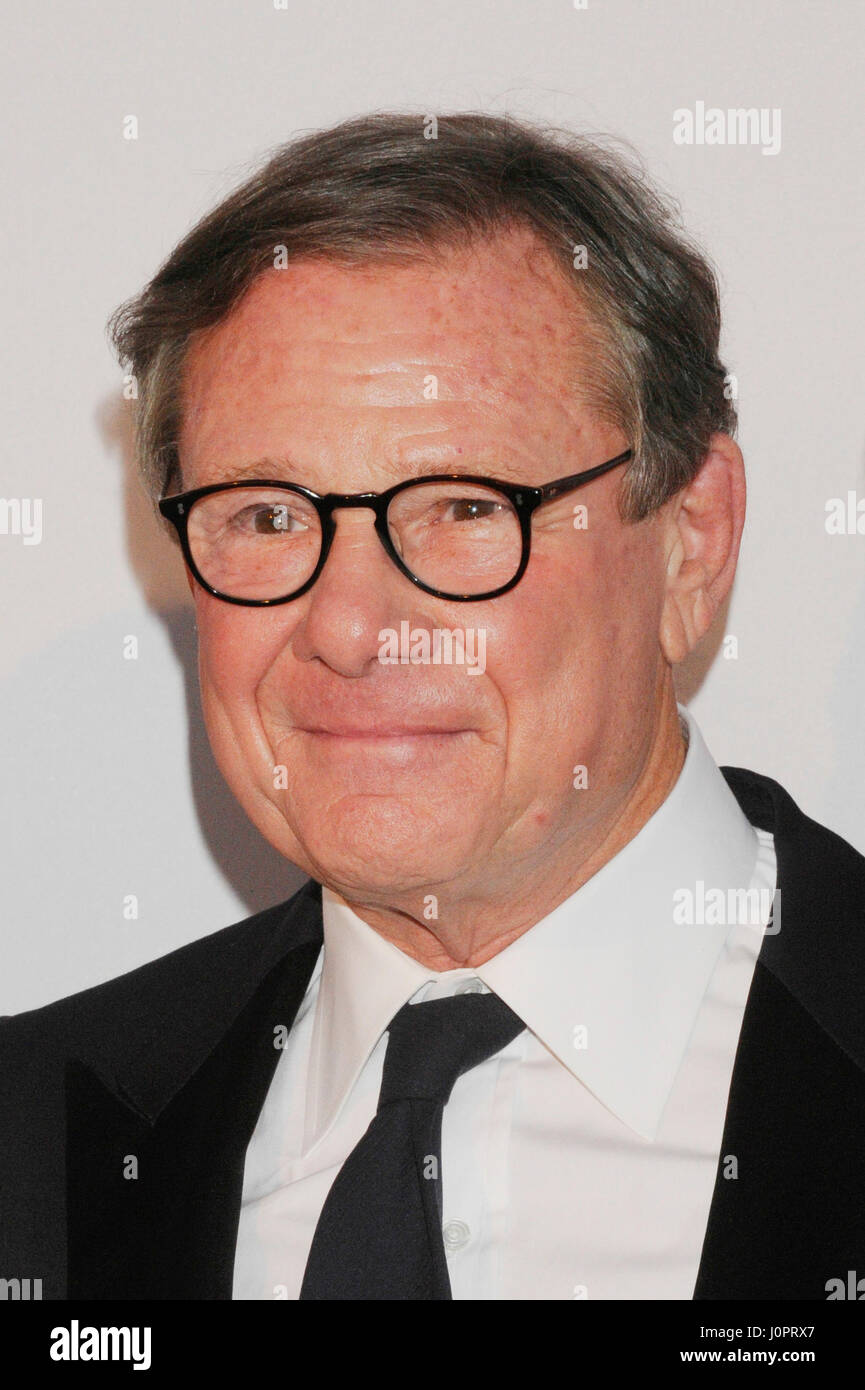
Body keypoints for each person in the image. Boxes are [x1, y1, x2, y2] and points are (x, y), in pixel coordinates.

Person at [2, 112, 864, 1302]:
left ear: (690, 545)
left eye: (462, 508)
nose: (352, 628)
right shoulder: (32, 1146)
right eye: (267, 516)